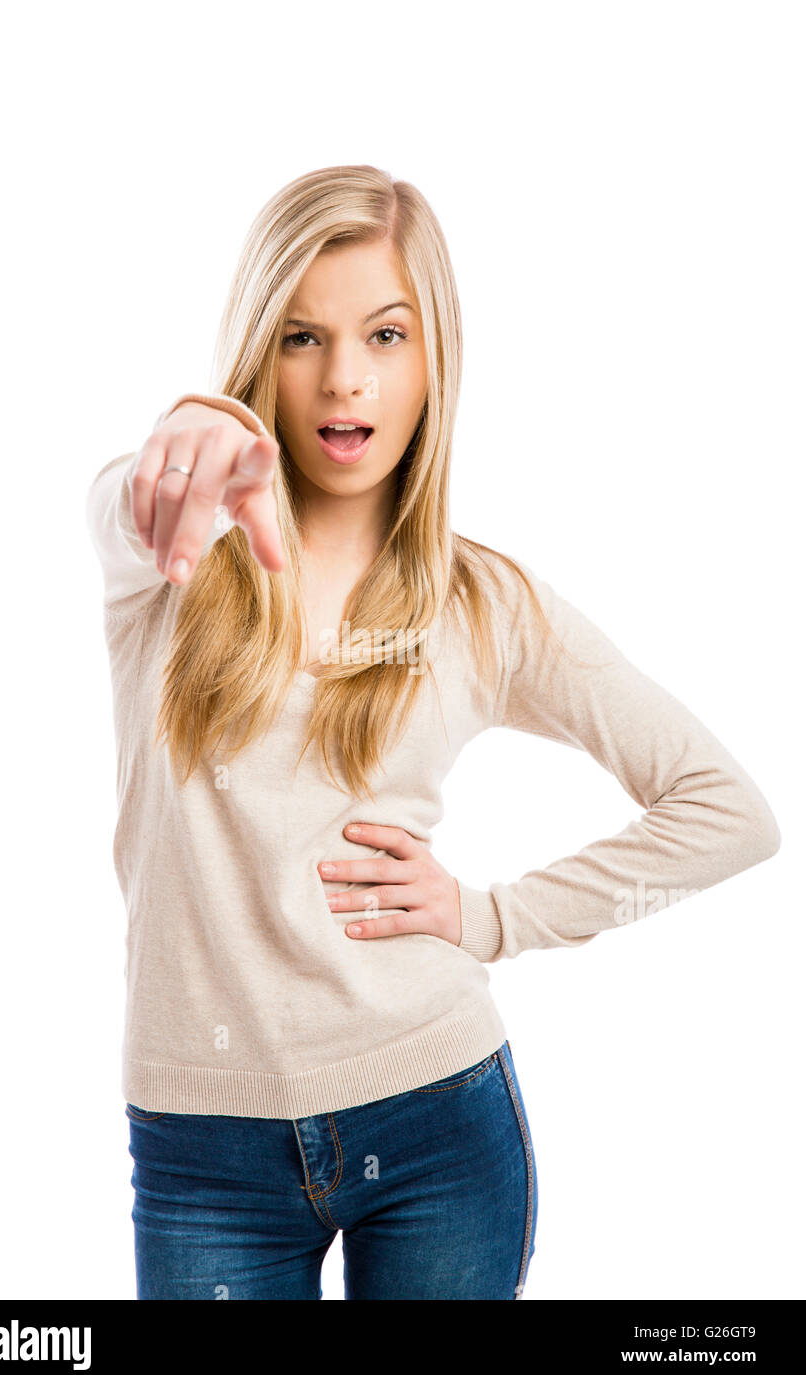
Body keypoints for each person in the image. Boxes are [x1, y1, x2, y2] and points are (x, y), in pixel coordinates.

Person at [85, 163, 780, 1301]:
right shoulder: (177, 553)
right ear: (260, 348)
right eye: (302, 336)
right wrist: (188, 429)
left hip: (437, 1124)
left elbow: (727, 812)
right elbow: (126, 498)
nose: (343, 378)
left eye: (385, 335)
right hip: (201, 1149)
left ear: (432, 359)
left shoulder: (483, 604)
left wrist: (494, 917)